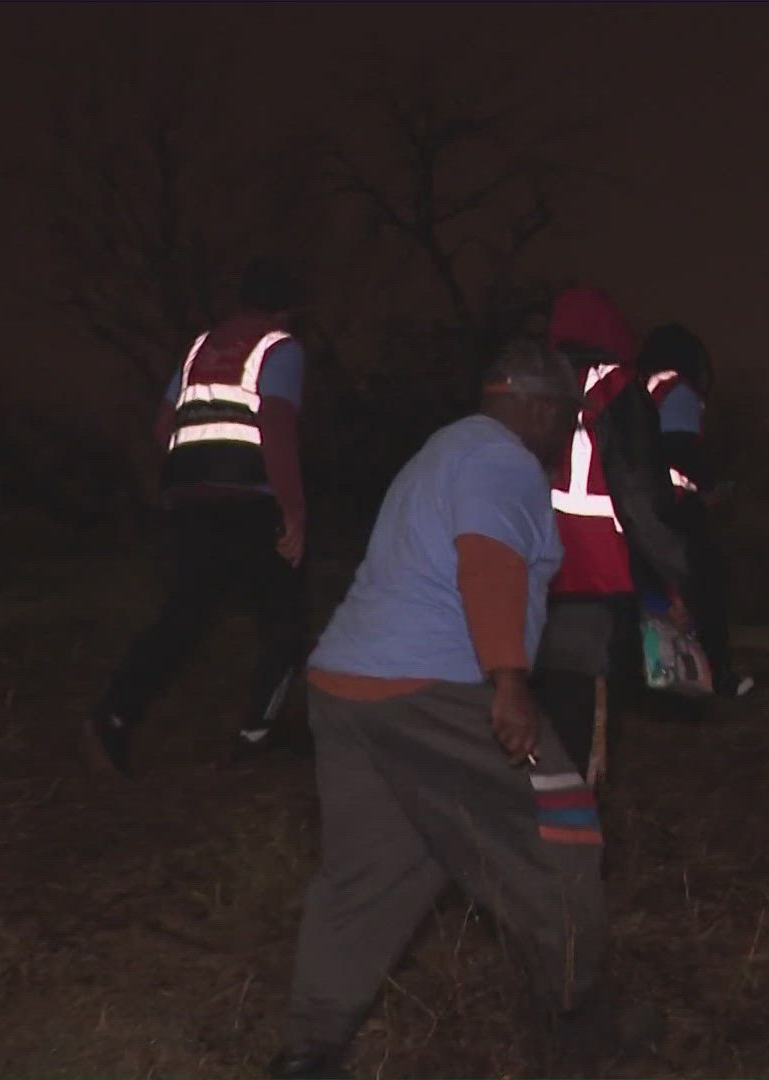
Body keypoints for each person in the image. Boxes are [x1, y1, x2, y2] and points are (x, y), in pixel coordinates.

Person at [268, 339, 652, 1080]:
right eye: (567, 420)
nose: (570, 435)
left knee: (379, 874)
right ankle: (579, 1023)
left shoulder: (445, 450)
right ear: (538, 408)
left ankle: (308, 1053)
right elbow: (489, 562)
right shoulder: (500, 461)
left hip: (349, 688)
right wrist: (509, 682)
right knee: (563, 835)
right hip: (436, 688)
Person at [87, 258, 310, 776]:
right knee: (287, 625)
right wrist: (293, 513)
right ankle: (256, 739)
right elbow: (277, 426)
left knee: (184, 617)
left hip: (194, 499)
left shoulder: (199, 347)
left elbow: (163, 427)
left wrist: (184, 484)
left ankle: (113, 718)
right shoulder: (280, 348)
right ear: (286, 308)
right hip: (252, 501)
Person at [536, 287, 693, 783]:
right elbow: (641, 492)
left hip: (529, 565)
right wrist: (674, 579)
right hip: (596, 569)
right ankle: (571, 825)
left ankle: (531, 805)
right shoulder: (620, 391)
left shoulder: (529, 382)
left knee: (540, 690)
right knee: (586, 703)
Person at [637, 322, 754, 699]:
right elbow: (681, 447)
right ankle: (715, 676)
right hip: (675, 506)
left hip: (638, 506)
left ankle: (653, 676)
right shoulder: (678, 391)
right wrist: (710, 486)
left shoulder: (638, 390)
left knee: (653, 593)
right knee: (706, 587)